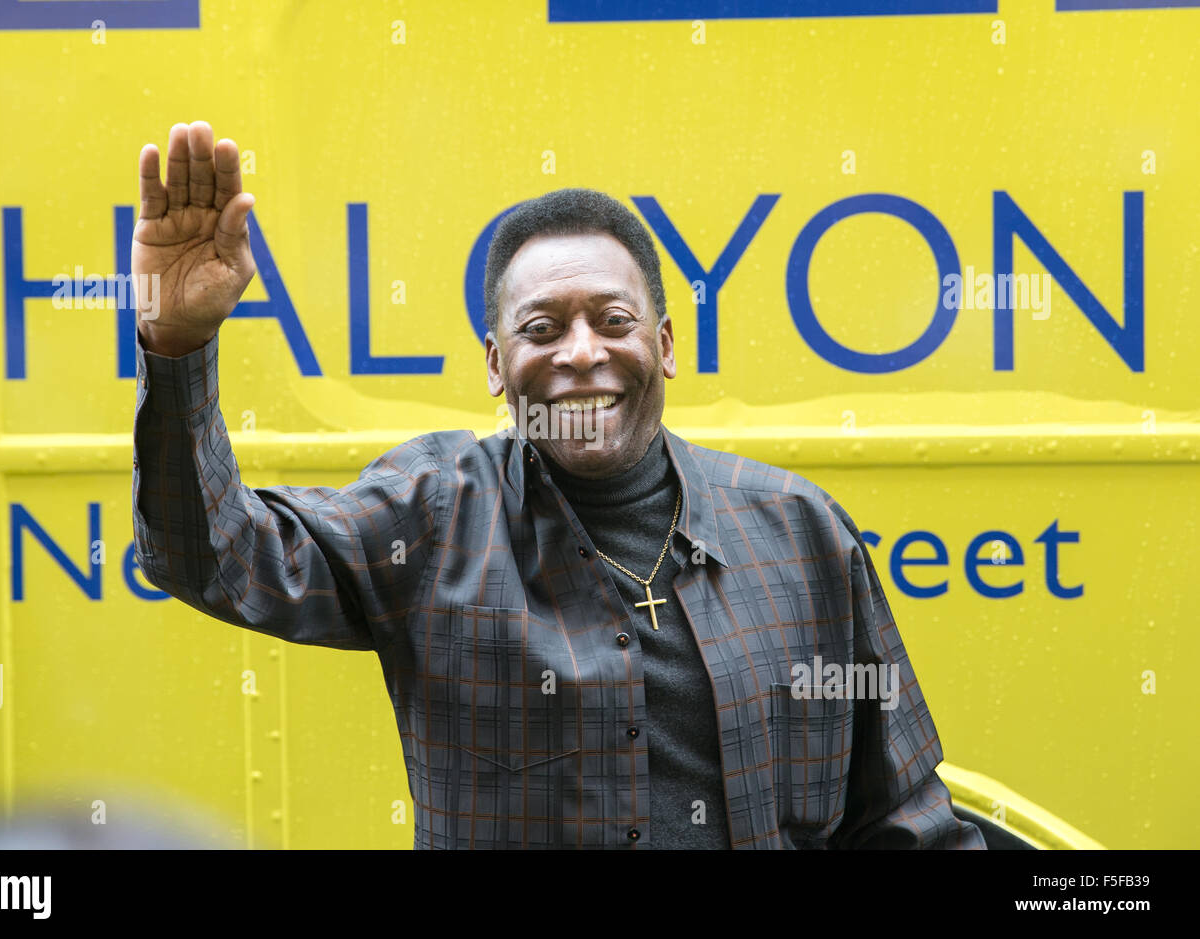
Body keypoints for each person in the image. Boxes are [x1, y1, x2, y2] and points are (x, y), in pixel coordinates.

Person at [130, 120, 985, 850]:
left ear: (667, 344)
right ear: (498, 367)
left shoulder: (801, 533)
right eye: (542, 329)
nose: (582, 353)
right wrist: (178, 347)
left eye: (613, 321)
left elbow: (906, 821)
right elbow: (213, 554)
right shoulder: (432, 516)